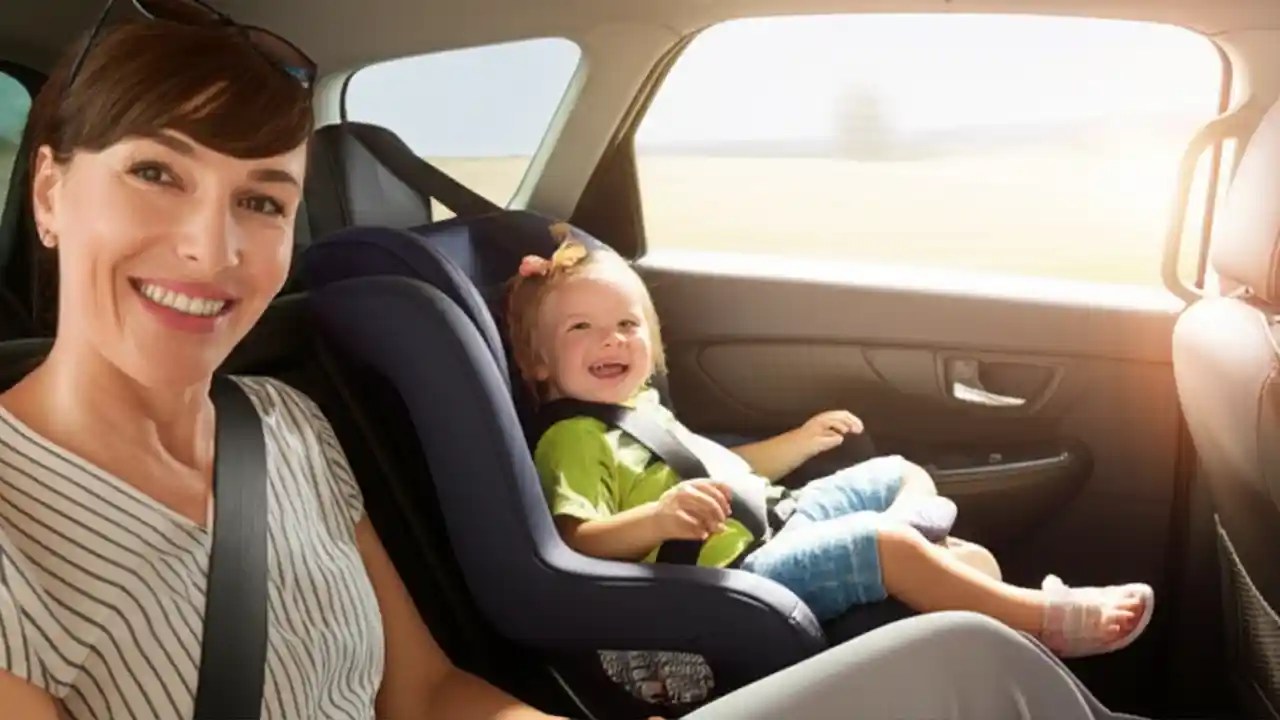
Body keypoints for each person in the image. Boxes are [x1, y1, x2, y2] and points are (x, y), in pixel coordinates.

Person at [0, 5, 1150, 720]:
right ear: (52, 192)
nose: (211, 246)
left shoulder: (283, 429)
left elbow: (428, 694)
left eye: (260, 198)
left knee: (961, 661)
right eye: (155, 173)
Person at [504, 235, 1154, 658]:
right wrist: (657, 518)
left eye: (627, 325)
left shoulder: (643, 407)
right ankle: (1046, 618)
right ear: (537, 363)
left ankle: (921, 559)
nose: (613, 341)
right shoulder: (573, 438)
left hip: (776, 518)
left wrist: (799, 441)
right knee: (887, 545)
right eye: (583, 329)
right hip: (730, 576)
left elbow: (731, 469)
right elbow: (575, 540)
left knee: (898, 471)